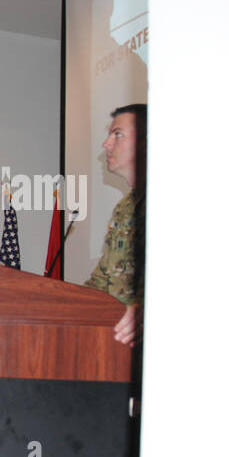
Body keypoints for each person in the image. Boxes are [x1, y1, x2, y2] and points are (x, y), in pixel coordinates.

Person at [86, 104, 145, 347]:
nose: (106, 144)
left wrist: (147, 310)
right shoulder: (124, 208)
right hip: (117, 345)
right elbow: (101, 281)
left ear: (146, 141)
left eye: (118, 134)